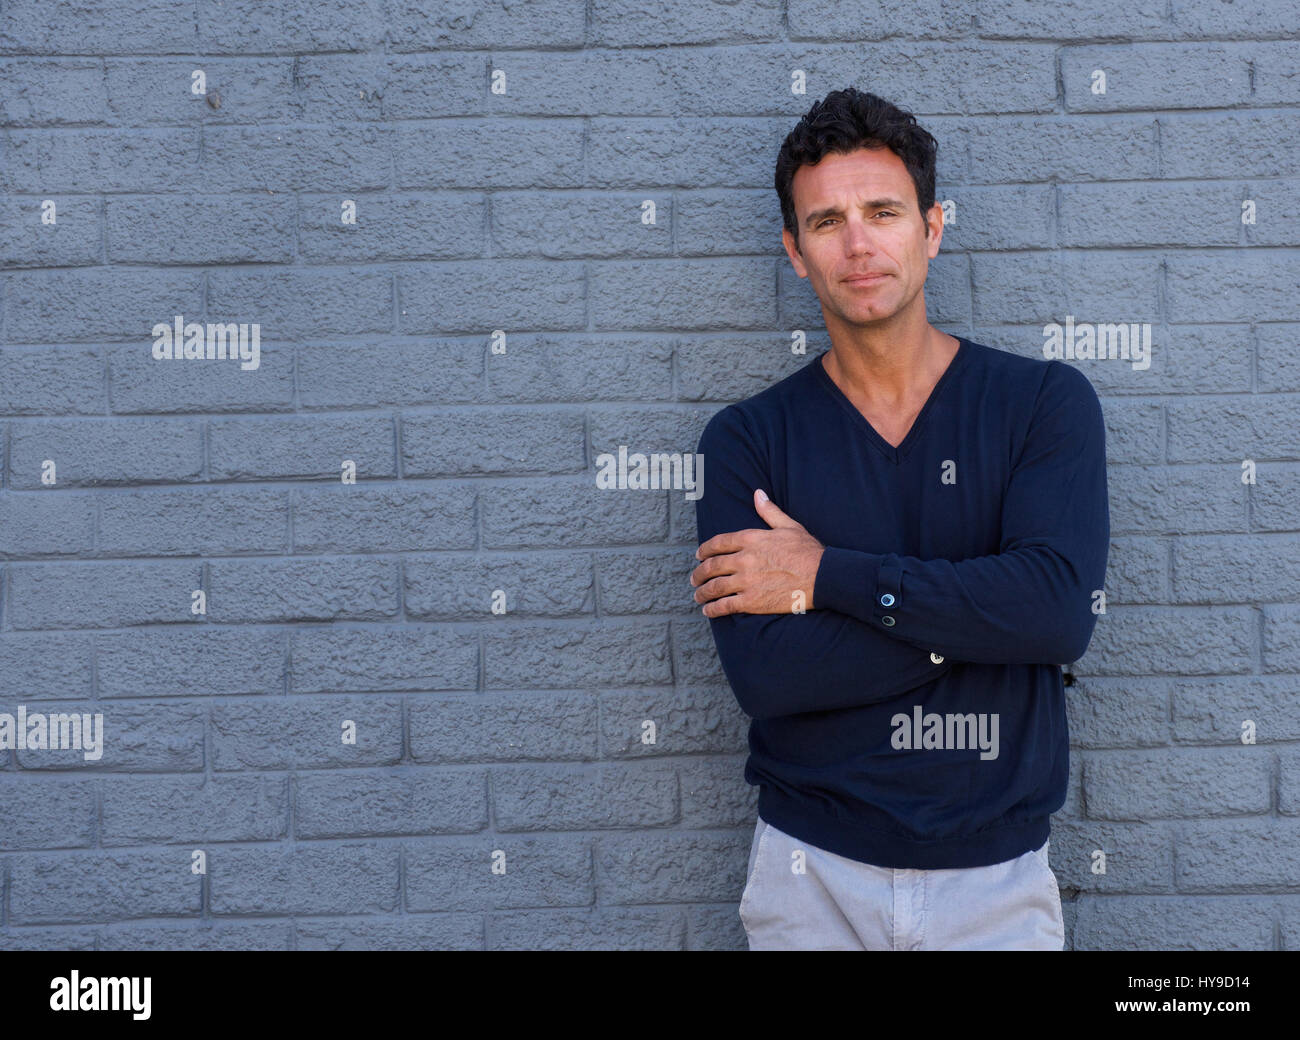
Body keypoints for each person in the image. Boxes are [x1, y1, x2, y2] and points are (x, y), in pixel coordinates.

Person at [689, 87, 1110, 950]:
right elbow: (771, 678)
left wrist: (821, 578)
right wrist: (979, 617)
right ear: (794, 252)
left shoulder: (1040, 405)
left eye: (883, 211)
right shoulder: (747, 441)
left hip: (995, 881)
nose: (857, 243)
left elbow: (1056, 614)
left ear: (932, 227)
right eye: (825, 222)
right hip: (812, 876)